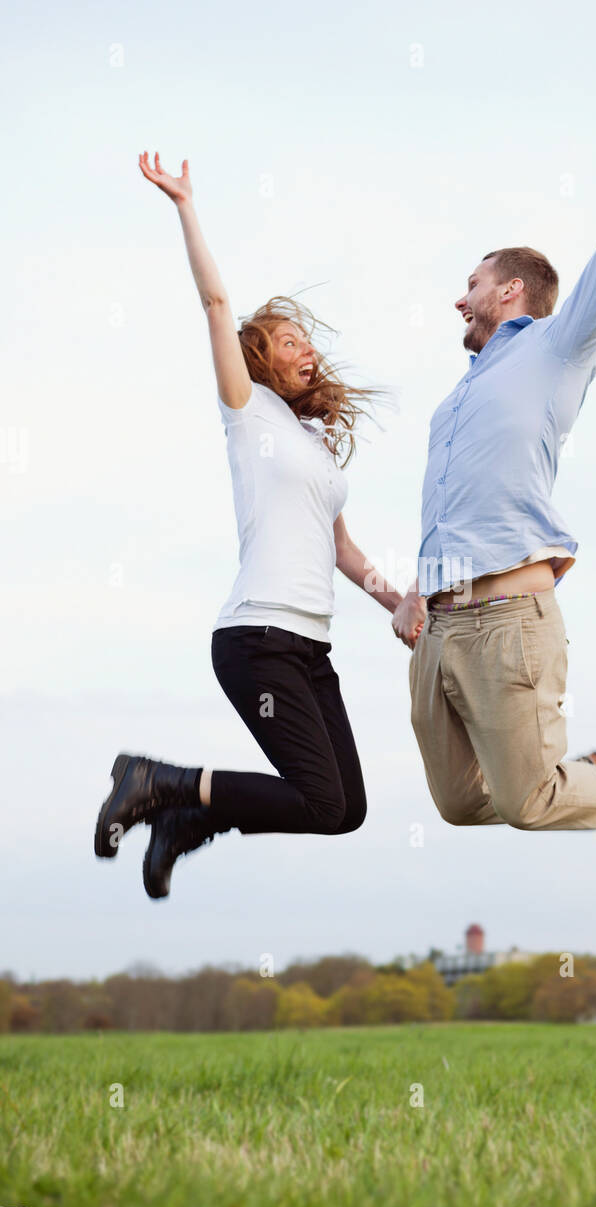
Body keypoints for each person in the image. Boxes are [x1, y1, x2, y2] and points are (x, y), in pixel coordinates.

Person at [391, 51, 596, 852]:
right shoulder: (457, 400)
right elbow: (459, 507)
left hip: (509, 619)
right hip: (439, 628)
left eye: (469, 282)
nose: (455, 297)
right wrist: (413, 590)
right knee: (460, 806)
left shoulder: (555, 349)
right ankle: (587, 772)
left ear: (509, 290)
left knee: (531, 800)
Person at [95, 152, 402, 898]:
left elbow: (340, 548)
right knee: (321, 799)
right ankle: (159, 782)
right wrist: (185, 206)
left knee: (345, 811)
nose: (306, 350)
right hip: (256, 638)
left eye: (307, 342)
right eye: (288, 342)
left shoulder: (316, 445)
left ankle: (187, 816)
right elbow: (214, 304)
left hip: (309, 647)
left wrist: (396, 600)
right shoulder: (247, 414)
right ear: (258, 361)